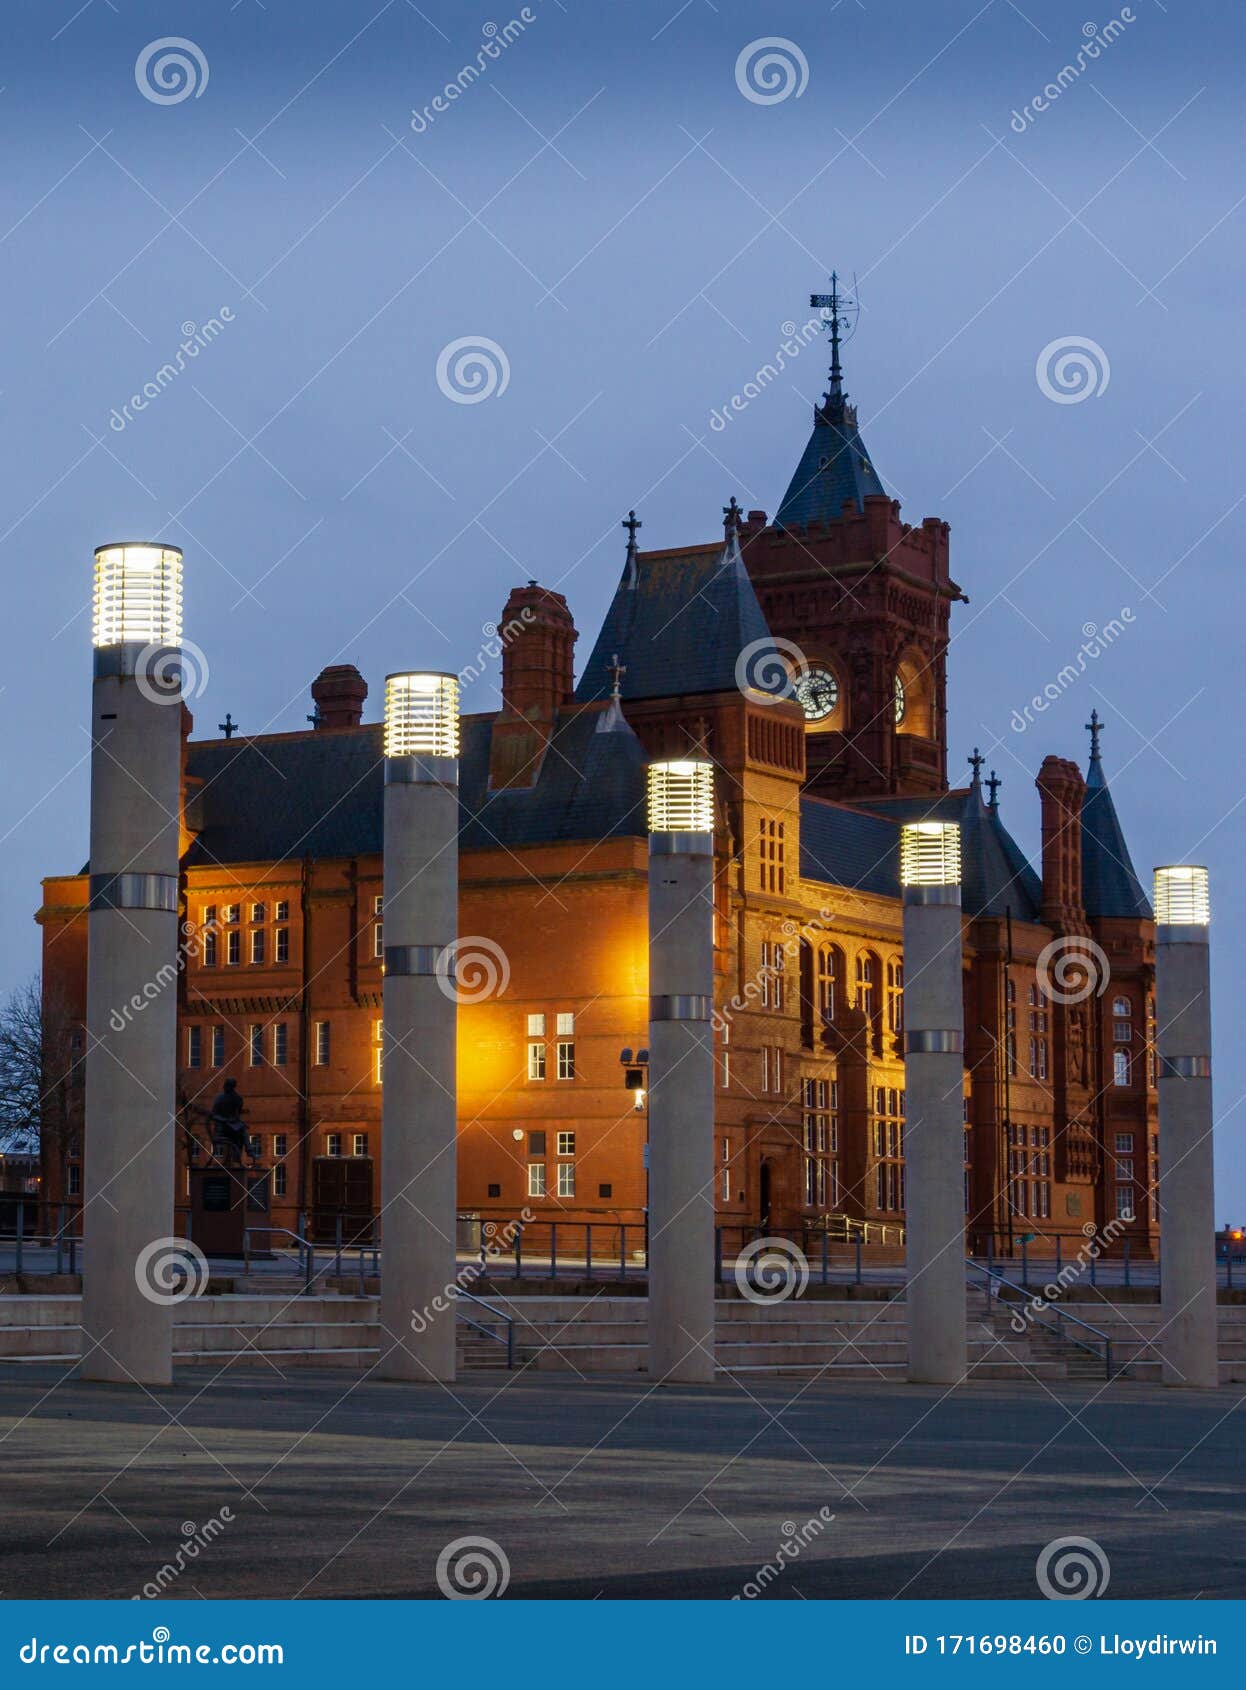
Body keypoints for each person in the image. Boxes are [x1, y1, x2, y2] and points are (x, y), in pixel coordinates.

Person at [208, 1078, 251, 1166]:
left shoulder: (237, 1098)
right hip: (222, 1126)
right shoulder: (219, 1098)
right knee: (239, 1133)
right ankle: (239, 1157)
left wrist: (239, 1116)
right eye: (225, 1085)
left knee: (242, 1131)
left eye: (228, 1086)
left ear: (232, 1087)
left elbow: (237, 1114)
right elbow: (214, 1114)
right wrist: (224, 1120)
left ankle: (245, 1153)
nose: (225, 1087)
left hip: (232, 1125)